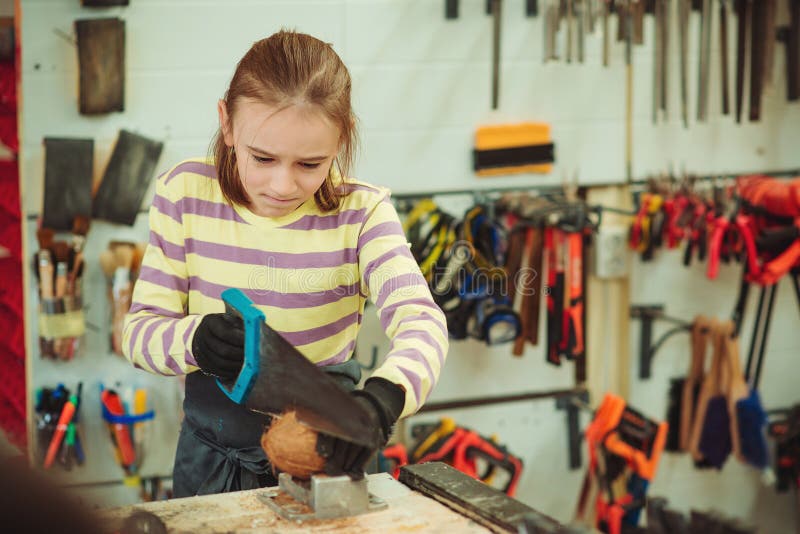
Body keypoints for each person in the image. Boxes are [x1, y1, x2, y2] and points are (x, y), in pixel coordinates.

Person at [122, 29, 448, 498]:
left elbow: (422, 321)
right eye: (263, 157)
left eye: (310, 164)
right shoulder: (184, 194)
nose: (282, 185)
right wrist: (193, 339)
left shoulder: (363, 214)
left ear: (341, 140)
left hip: (330, 452)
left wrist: (385, 397)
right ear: (227, 124)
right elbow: (138, 333)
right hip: (212, 458)